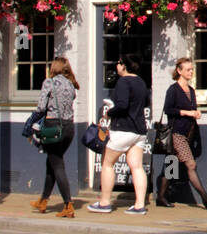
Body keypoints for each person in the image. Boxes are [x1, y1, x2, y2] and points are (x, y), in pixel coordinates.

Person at [87, 54, 149, 215]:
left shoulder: (123, 82)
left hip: (122, 129)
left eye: (118, 63)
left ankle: (104, 202)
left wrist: (109, 113)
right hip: (139, 130)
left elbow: (122, 105)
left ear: (124, 65)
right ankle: (139, 205)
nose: (116, 65)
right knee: (136, 166)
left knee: (107, 164)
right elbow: (145, 103)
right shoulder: (141, 83)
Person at [158, 56, 207, 209]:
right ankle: (205, 197)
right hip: (176, 133)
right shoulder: (173, 90)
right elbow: (168, 109)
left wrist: (196, 113)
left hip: (188, 134)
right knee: (191, 165)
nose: (191, 72)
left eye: (192, 69)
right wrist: (188, 113)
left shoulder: (191, 91)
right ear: (179, 71)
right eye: (188, 70)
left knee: (171, 165)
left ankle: (161, 196)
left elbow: (192, 110)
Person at [30, 57, 79, 218]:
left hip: (53, 127)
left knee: (57, 165)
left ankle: (68, 204)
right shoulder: (71, 84)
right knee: (52, 162)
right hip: (69, 127)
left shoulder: (49, 83)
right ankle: (43, 200)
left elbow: (41, 107)